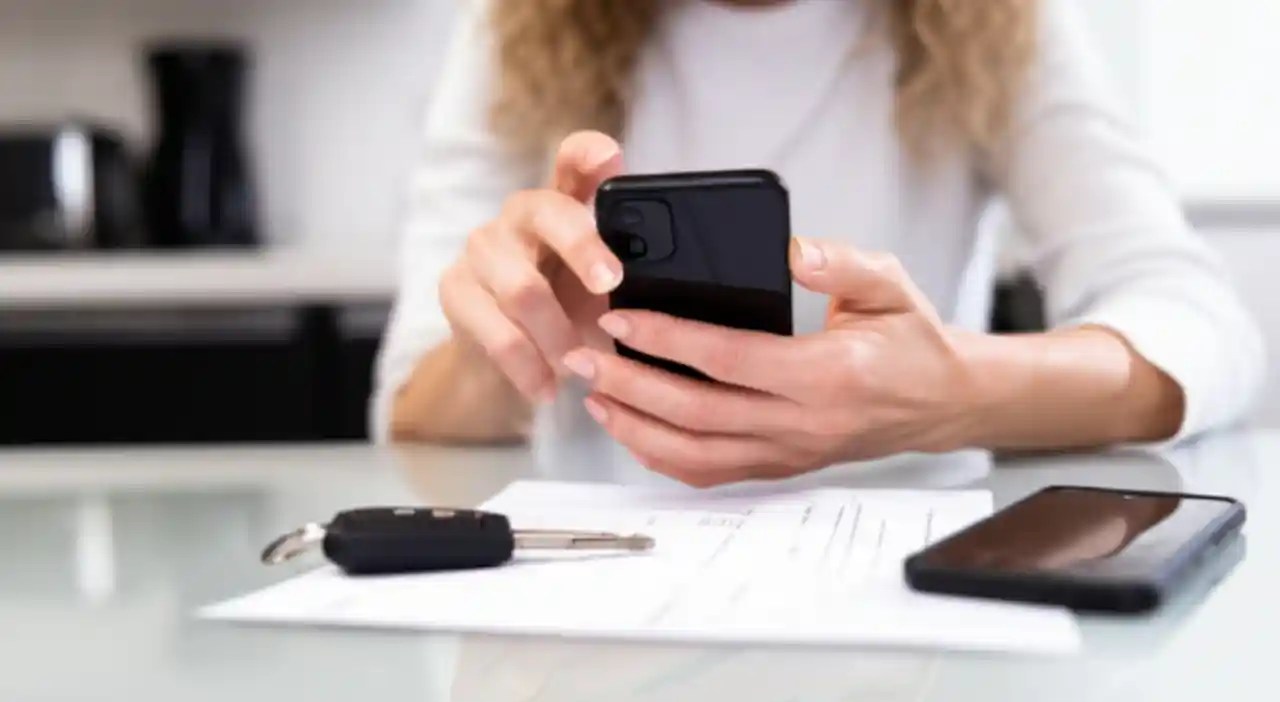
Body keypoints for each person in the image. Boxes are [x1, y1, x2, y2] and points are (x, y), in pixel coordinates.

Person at [374, 0, 1263, 487]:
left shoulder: (996, 20)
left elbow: (1202, 328)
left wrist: (954, 392)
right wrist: (519, 336)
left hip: (902, 580)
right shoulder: (513, 27)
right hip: (603, 573)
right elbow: (410, 409)